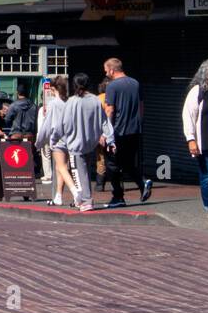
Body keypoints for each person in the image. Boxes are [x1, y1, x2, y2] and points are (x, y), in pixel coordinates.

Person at [55, 73, 115, 213]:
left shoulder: (72, 101)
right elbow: (104, 121)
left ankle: (86, 201)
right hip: (90, 143)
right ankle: (83, 199)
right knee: (85, 173)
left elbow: (63, 124)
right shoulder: (95, 100)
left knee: (78, 173)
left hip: (75, 144)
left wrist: (57, 139)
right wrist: (110, 139)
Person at [102, 57, 151, 207]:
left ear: (111, 70)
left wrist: (106, 133)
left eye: (106, 71)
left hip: (118, 131)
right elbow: (141, 106)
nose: (106, 73)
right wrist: (138, 124)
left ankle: (118, 197)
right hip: (134, 130)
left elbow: (110, 110)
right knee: (128, 162)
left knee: (112, 164)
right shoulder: (135, 83)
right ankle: (142, 184)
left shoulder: (112, 86)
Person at [180, 58, 208, 227]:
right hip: (206, 141)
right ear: (207, 73)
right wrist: (191, 139)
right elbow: (188, 116)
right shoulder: (198, 91)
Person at [36, 76, 77, 207]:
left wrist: (39, 142)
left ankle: (76, 194)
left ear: (54, 89)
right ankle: (58, 196)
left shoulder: (53, 103)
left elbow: (47, 125)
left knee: (61, 167)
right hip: (70, 138)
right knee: (63, 168)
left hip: (58, 139)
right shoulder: (70, 102)